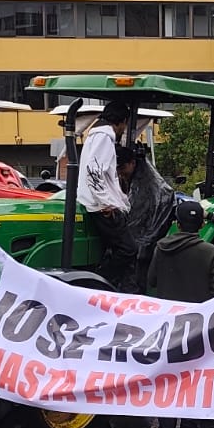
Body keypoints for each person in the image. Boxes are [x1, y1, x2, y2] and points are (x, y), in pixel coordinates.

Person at [146, 201, 214, 428]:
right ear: (201, 225)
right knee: (194, 380)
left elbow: (151, 282)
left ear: (177, 224)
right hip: (197, 329)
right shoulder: (210, 252)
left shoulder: (161, 248)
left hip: (168, 325)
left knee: (168, 378)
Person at [77, 102, 139, 288]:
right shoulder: (104, 138)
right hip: (101, 207)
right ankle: (104, 283)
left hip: (96, 203)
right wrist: (106, 202)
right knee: (128, 249)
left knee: (112, 249)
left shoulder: (95, 136)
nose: (124, 129)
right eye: (125, 125)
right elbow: (94, 171)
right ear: (122, 121)